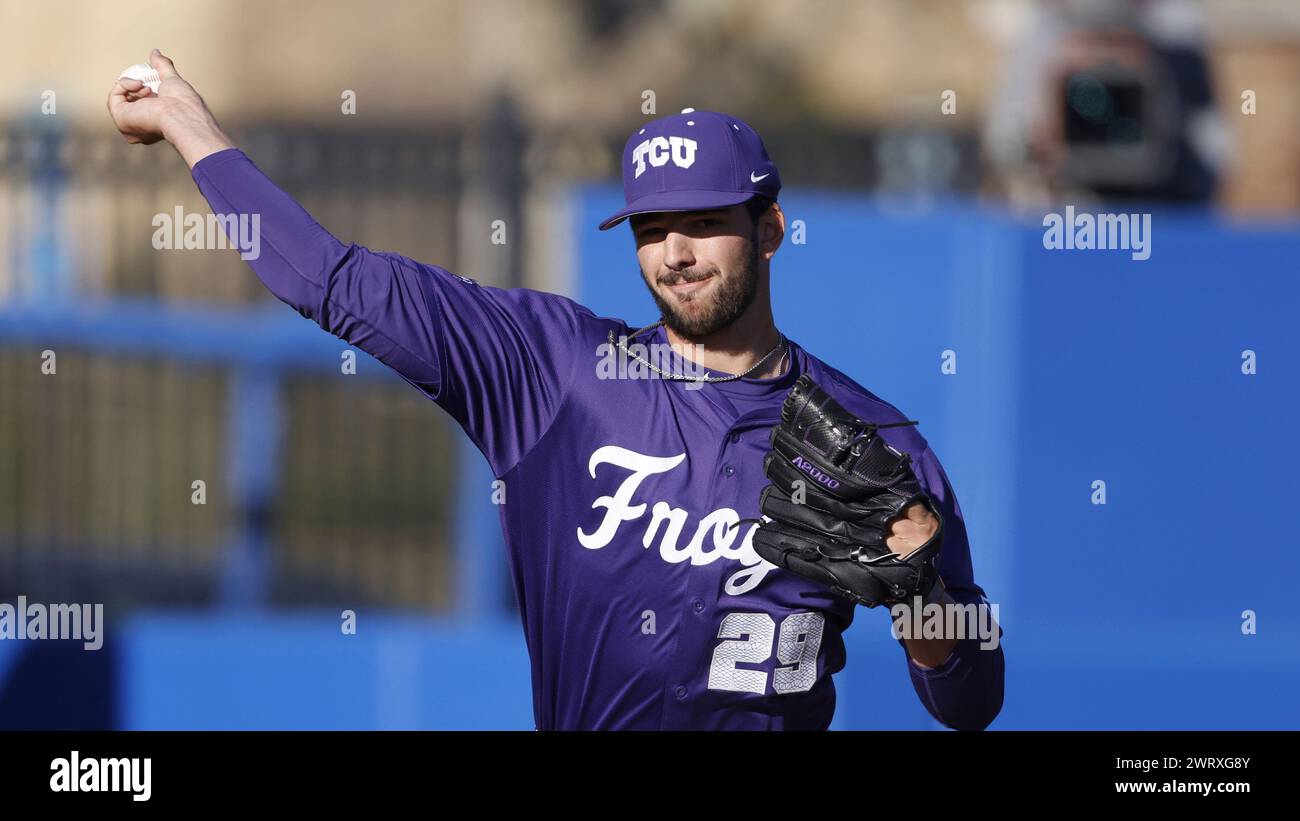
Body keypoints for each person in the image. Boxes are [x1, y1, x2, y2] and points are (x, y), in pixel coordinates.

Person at [108, 50, 1004, 730]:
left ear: (769, 228)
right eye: (652, 228)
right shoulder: (556, 374)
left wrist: (922, 597)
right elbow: (328, 280)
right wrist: (191, 125)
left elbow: (974, 701)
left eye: (705, 222)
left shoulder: (876, 442)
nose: (676, 253)